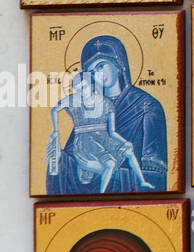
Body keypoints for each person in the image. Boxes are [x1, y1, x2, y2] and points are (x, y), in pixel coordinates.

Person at [46, 34, 167, 194]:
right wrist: (58, 159)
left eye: (101, 66)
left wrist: (107, 171)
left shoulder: (147, 108)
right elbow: (75, 159)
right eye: (91, 71)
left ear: (118, 65)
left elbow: (157, 178)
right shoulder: (90, 108)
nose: (98, 74)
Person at [49, 69, 153, 193]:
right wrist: (55, 130)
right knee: (110, 164)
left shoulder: (106, 102)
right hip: (85, 141)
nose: (81, 91)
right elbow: (54, 110)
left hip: (104, 138)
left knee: (129, 151)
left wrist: (125, 142)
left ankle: (142, 181)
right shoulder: (73, 100)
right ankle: (102, 194)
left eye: (84, 87)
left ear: (91, 85)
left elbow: (112, 131)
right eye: (78, 89)